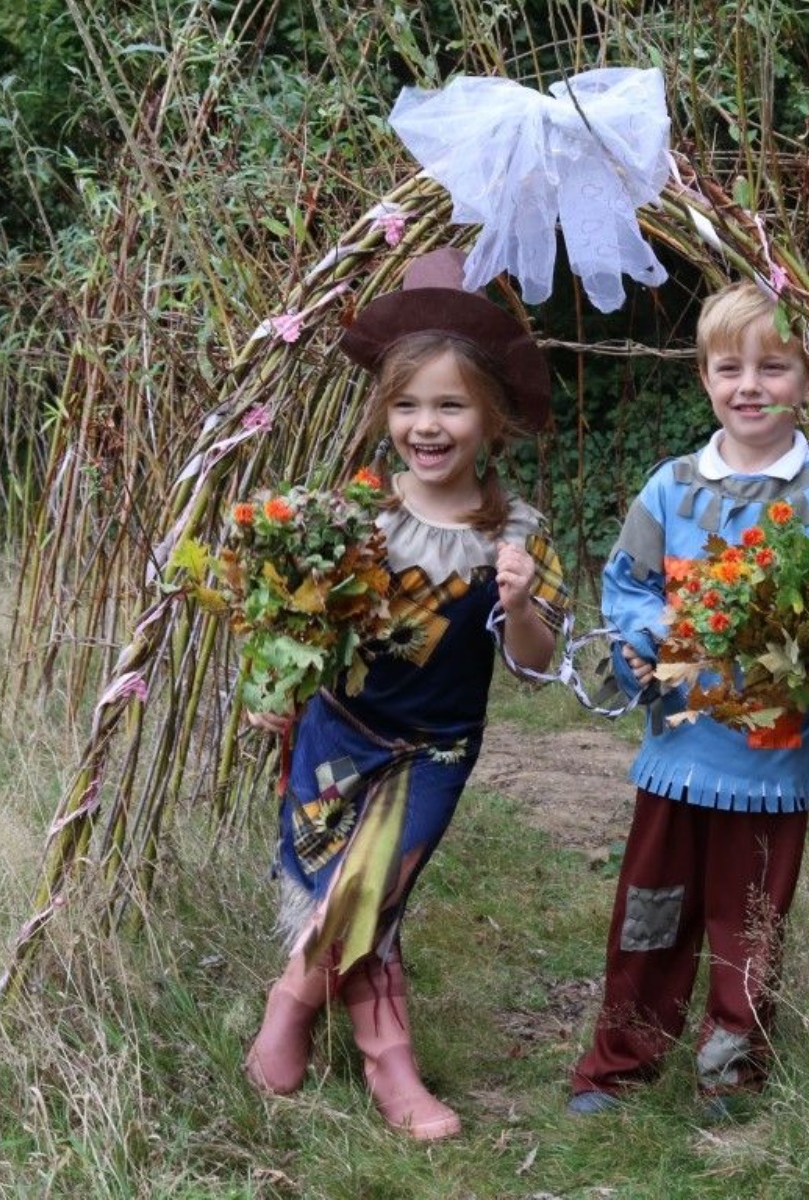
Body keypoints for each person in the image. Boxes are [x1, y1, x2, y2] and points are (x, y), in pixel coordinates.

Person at [243, 247, 571, 1140]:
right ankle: (391, 1068)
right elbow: (302, 624)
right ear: (386, 411)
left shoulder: (516, 534)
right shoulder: (361, 517)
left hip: (433, 754)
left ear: (492, 419)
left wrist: (522, 601)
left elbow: (538, 666)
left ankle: (294, 1005)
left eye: (451, 405)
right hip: (338, 732)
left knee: (372, 881)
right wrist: (276, 690)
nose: (426, 426)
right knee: (360, 902)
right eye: (407, 404)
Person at [568, 281, 809, 1116]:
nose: (750, 385)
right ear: (705, 379)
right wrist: (647, 639)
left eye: (774, 367)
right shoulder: (673, 488)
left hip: (773, 757)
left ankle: (730, 1074)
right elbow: (627, 582)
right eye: (730, 368)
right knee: (651, 913)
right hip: (678, 752)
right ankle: (620, 1063)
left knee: (749, 927)